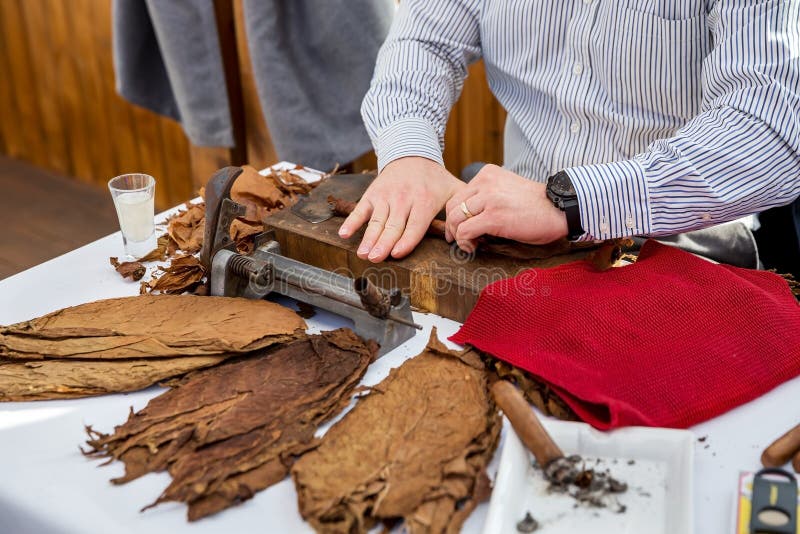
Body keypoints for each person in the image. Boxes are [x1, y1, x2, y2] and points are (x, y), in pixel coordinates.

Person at [338, 0, 800, 267]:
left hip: (680, 248)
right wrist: (410, 153)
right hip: (506, 236)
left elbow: (770, 131)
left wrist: (574, 201)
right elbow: (426, 42)